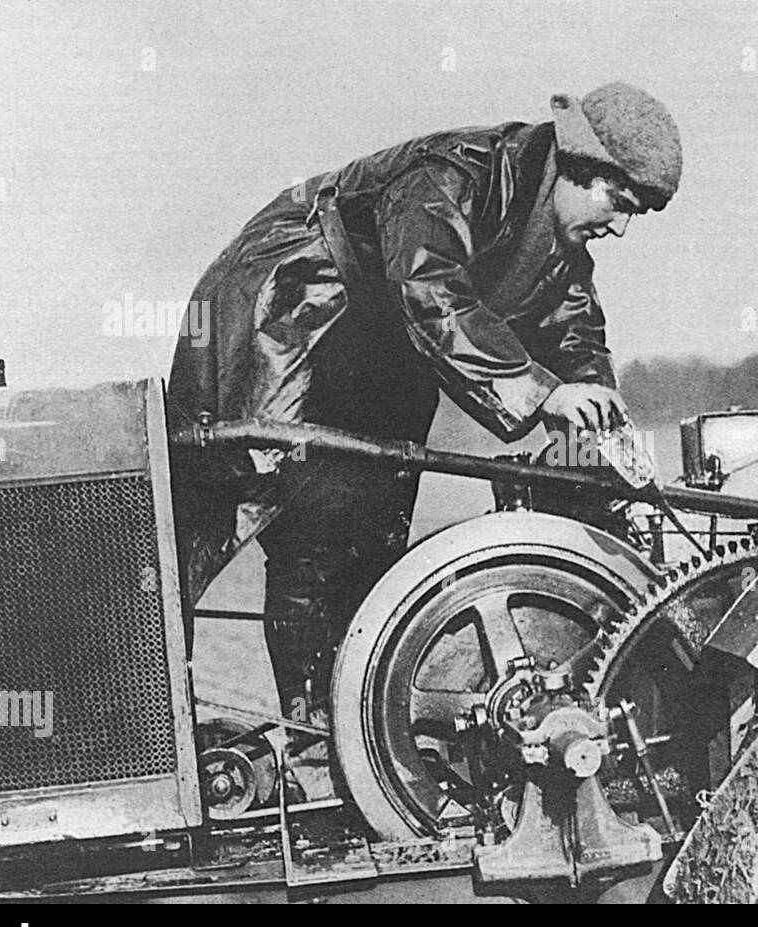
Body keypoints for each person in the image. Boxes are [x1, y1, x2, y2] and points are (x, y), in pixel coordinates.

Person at [167, 82, 683, 719]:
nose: (623, 227)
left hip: (382, 346)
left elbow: (573, 329)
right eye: (619, 202)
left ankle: (335, 730)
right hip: (285, 308)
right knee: (220, 508)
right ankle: (144, 727)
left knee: (363, 535)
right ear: (575, 165)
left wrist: (599, 404)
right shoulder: (451, 175)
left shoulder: (561, 243)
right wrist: (543, 393)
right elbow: (428, 288)